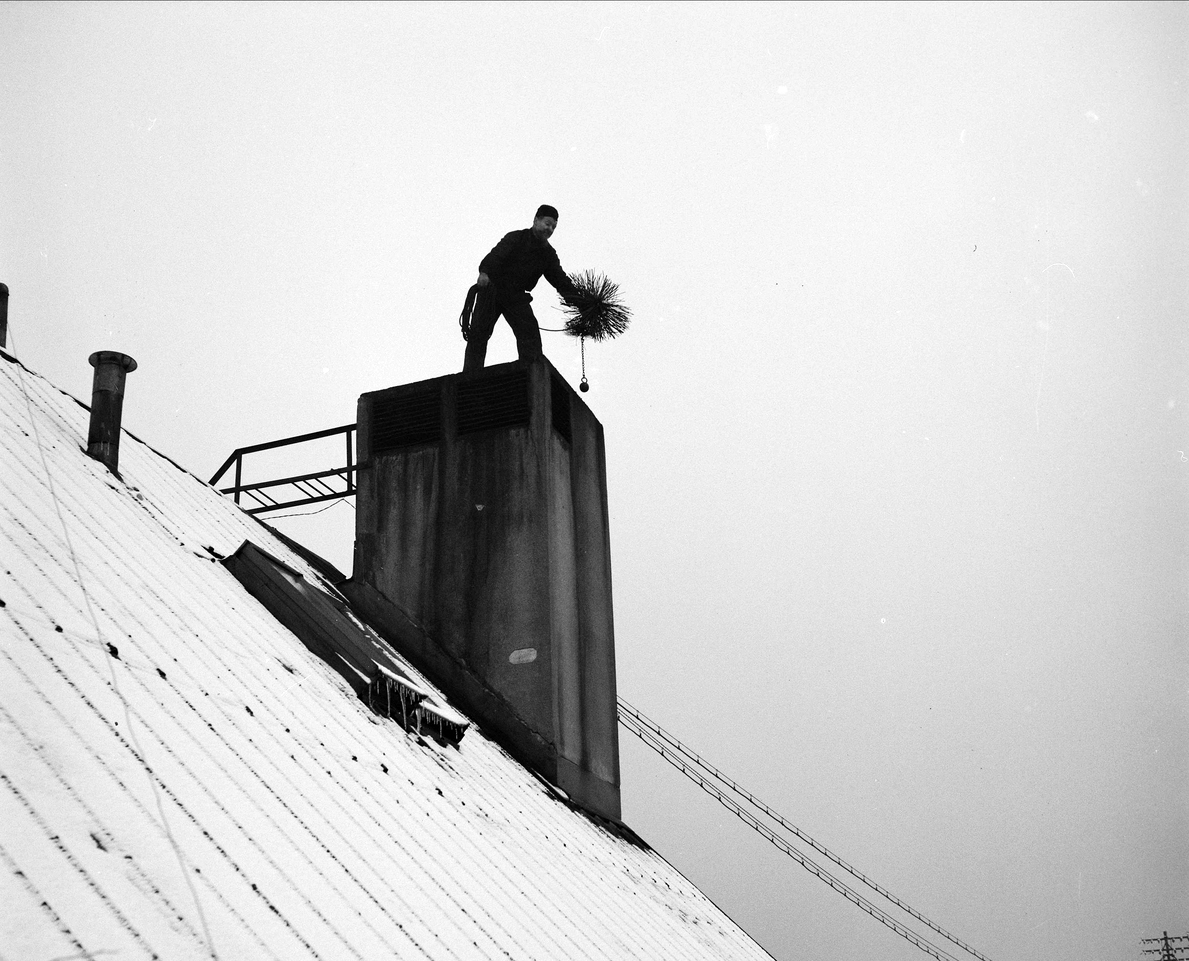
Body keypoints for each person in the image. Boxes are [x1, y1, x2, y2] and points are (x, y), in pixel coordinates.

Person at [463, 204, 581, 372]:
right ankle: (469, 376)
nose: (550, 229)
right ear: (536, 220)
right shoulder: (516, 238)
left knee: (529, 333)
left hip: (516, 295)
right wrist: (484, 273)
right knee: (478, 334)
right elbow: (495, 256)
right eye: (548, 223)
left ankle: (532, 374)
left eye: (554, 227)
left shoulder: (548, 254)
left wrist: (579, 301)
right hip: (493, 289)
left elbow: (559, 279)